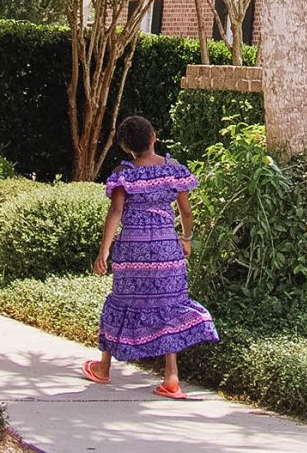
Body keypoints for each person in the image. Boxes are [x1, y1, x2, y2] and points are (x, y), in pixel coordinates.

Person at [81, 114, 218, 400]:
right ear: (154, 136)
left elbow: (115, 212)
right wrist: (187, 239)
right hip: (167, 247)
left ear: (126, 148)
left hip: (132, 249)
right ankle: (171, 377)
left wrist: (104, 250)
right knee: (169, 304)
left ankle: (104, 368)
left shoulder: (124, 173)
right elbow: (186, 212)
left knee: (122, 302)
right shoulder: (173, 170)